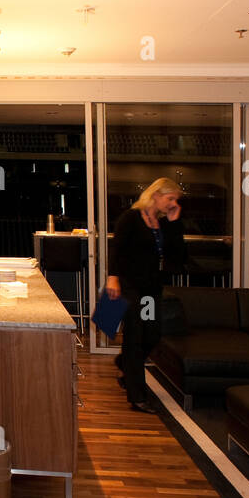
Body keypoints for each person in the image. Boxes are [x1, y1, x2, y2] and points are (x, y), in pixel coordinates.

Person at [105, 177, 187, 413]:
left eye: (176, 200)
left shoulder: (164, 223)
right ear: (156, 195)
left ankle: (123, 363)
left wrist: (174, 223)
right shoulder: (131, 218)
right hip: (129, 286)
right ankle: (137, 397)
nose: (173, 204)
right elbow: (117, 249)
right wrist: (113, 278)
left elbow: (178, 256)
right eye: (170, 198)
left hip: (151, 289)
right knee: (135, 337)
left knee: (152, 333)